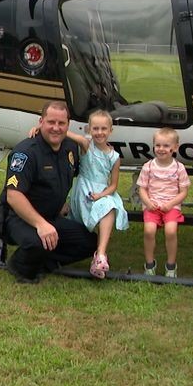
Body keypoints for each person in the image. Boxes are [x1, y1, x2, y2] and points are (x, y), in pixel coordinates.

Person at [0, 100, 97, 283]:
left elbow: (82, 167)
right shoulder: (26, 153)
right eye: (51, 122)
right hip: (19, 218)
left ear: (68, 125)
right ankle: (19, 266)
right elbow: (13, 196)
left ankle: (44, 263)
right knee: (37, 243)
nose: (56, 128)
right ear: (41, 122)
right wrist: (41, 225)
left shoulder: (70, 148)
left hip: (51, 217)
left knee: (89, 242)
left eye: (61, 123)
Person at [63, 110, 128, 279]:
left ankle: (100, 255)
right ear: (89, 129)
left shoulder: (114, 157)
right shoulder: (86, 145)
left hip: (102, 192)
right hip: (84, 190)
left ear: (110, 130)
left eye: (104, 129)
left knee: (110, 206)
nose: (99, 132)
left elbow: (113, 185)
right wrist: (38, 128)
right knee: (105, 206)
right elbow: (63, 132)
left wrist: (101, 195)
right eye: (96, 128)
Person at [136, 127, 191, 278]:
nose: (161, 149)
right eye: (158, 145)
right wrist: (148, 203)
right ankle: (149, 264)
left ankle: (171, 266)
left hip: (171, 206)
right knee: (149, 231)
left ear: (175, 147)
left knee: (171, 231)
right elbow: (142, 189)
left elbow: (184, 192)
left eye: (166, 146)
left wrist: (171, 204)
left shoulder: (179, 168)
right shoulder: (148, 166)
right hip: (152, 205)